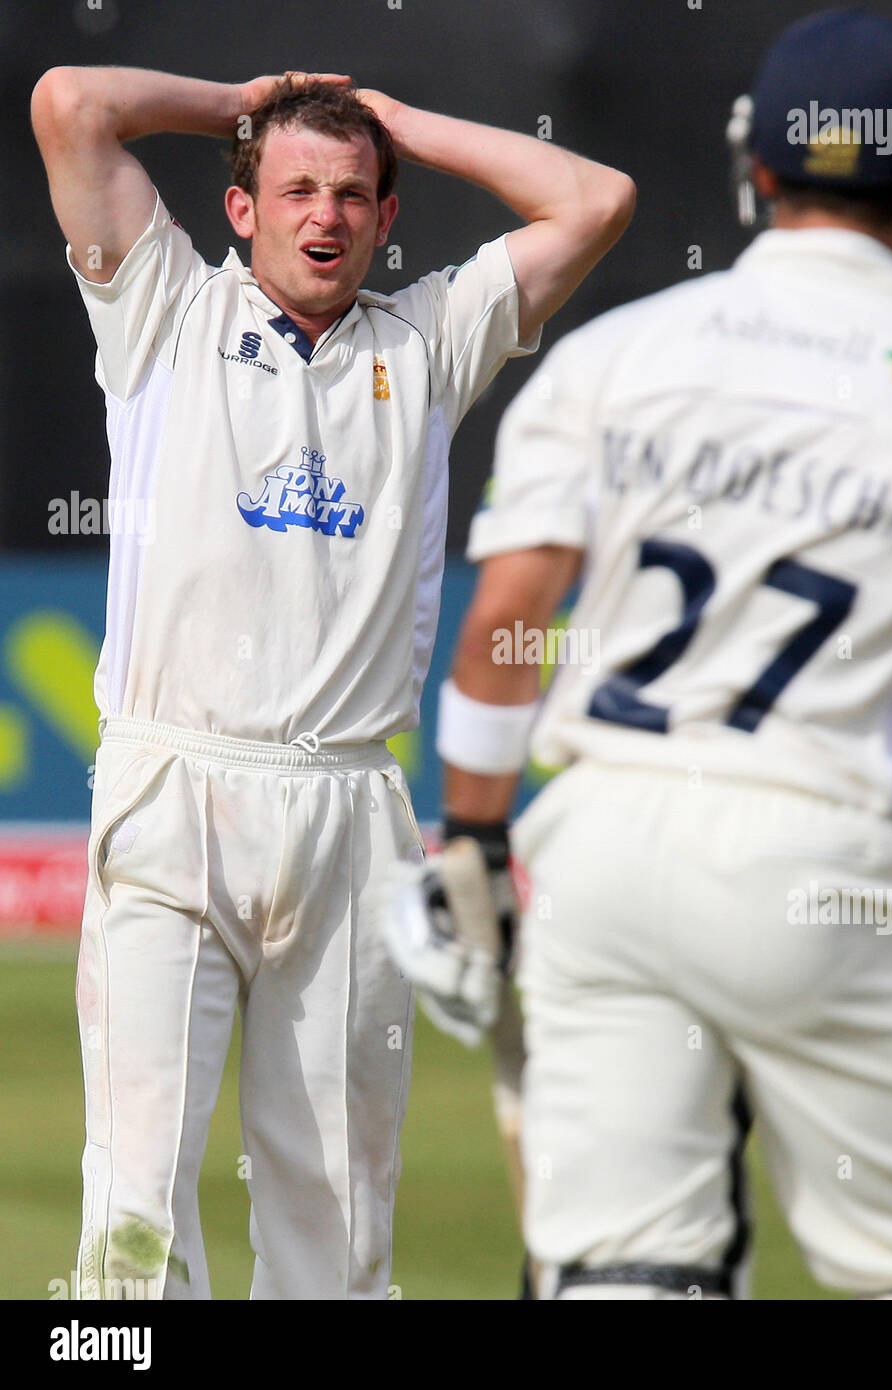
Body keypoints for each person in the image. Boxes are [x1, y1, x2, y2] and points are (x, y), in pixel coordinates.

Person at [387, 10, 892, 1299]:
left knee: (624, 1273)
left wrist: (473, 843)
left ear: (751, 167)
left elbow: (507, 625)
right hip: (813, 866)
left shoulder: (612, 357)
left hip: (593, 858)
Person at [30, 63, 634, 1300]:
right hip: (173, 790)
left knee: (339, 1220)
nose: (326, 214)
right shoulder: (163, 307)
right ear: (241, 210)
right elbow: (67, 103)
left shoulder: (426, 341)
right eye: (296, 187)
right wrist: (242, 103)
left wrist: (402, 124)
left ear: (386, 216)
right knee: (132, 1214)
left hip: (351, 811)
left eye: (355, 193)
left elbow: (595, 200)